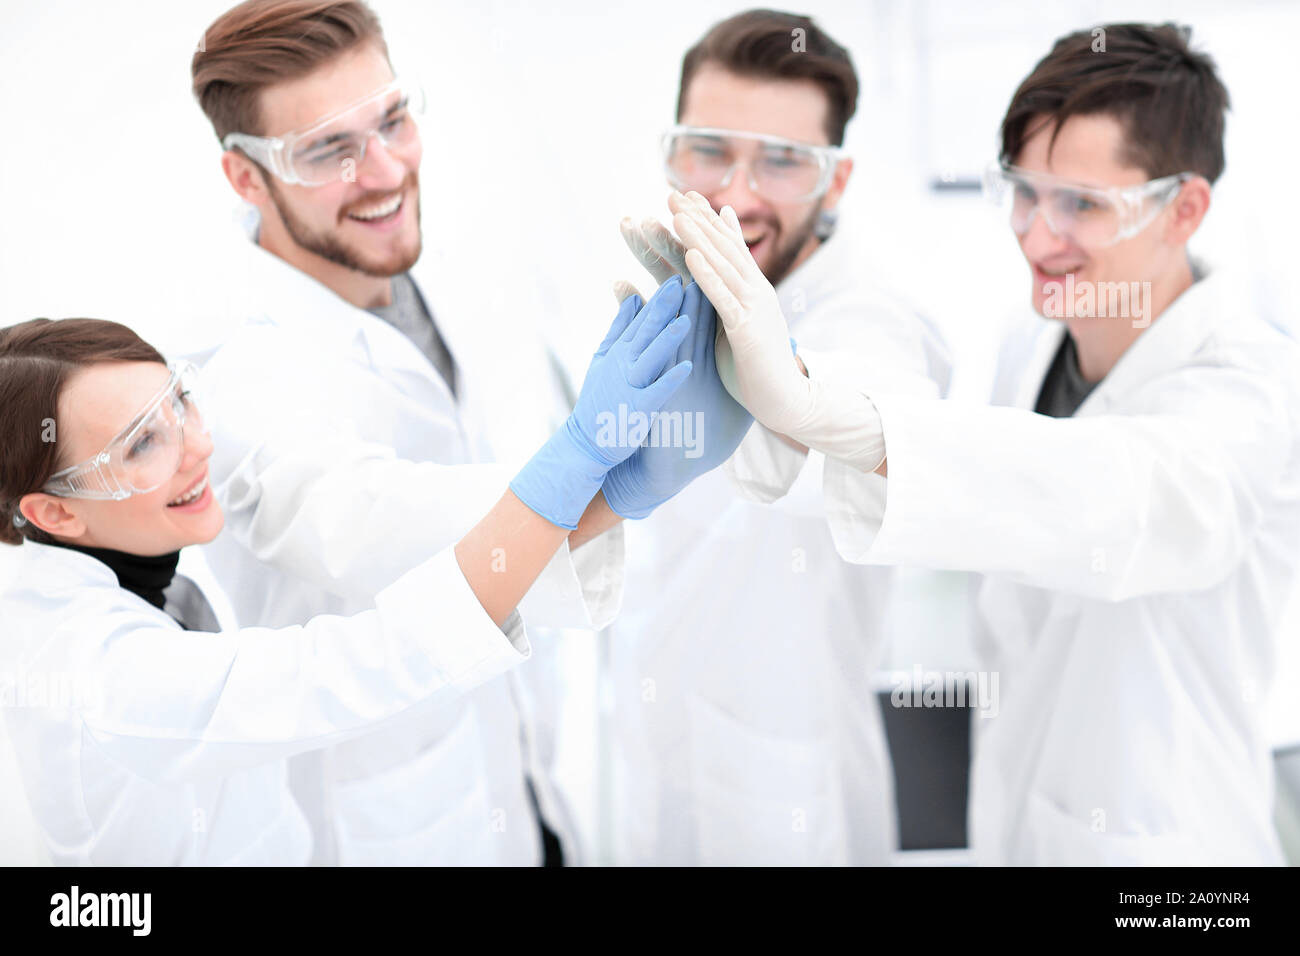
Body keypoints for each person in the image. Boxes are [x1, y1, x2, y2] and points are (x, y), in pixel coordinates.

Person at [671, 22, 1300, 864]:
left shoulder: (1254, 387)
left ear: (1183, 207)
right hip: (1021, 815)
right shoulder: (1028, 340)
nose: (1038, 238)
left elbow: (1120, 502)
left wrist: (858, 426)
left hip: (1172, 858)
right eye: (1024, 193)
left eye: (1082, 204)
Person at [181, 0, 750, 865]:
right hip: (383, 821)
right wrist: (604, 482)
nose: (382, 171)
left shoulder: (435, 273)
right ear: (244, 177)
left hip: (517, 777)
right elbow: (364, 523)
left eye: (392, 121)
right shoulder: (234, 370)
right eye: (328, 149)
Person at [0, 289, 698, 864]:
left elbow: (371, 514)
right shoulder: (101, 677)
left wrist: (604, 491)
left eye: (180, 400)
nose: (198, 445)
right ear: (54, 512)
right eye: (143, 442)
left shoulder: (137, 553)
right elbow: (352, 667)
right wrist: (574, 467)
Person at [603, 10, 950, 865]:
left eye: (784, 161)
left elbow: (882, 411)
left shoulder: (871, 312)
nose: (737, 194)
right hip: (656, 749)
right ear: (670, 152)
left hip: (787, 797)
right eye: (709, 150)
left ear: (836, 182)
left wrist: (787, 394)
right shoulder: (664, 290)